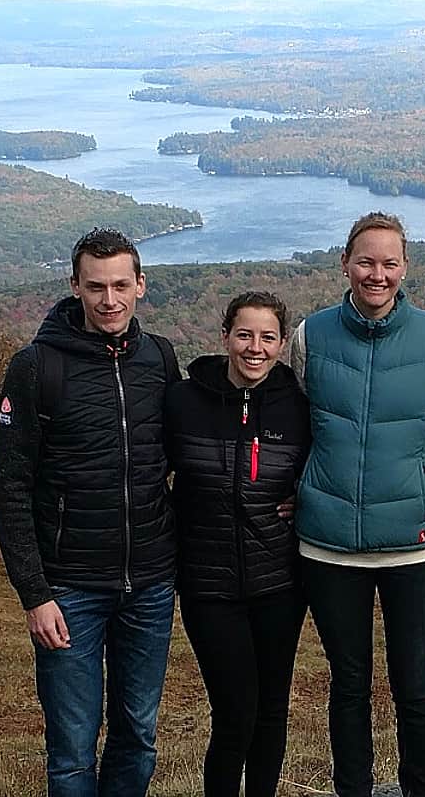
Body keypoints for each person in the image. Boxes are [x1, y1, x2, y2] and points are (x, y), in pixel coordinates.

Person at [289, 211, 425, 797]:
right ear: (345, 263)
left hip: (416, 547)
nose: (377, 274)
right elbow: (291, 430)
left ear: (406, 267)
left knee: (413, 687)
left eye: (389, 262)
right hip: (328, 547)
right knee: (347, 685)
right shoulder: (309, 336)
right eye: (366, 261)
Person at [0, 227, 180, 797]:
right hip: (69, 589)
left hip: (148, 584)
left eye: (122, 284)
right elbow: (8, 488)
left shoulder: (159, 357)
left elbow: (182, 457)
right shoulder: (35, 368)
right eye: (96, 286)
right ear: (75, 286)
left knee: (137, 736)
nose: (110, 299)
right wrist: (34, 594)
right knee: (72, 749)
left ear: (141, 285)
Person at [165, 291, 311, 797]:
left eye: (268, 337)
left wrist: (304, 500)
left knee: (271, 709)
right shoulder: (183, 401)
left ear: (282, 343)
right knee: (234, 712)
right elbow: (145, 475)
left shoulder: (297, 406)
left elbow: (321, 473)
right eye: (244, 335)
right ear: (224, 336)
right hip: (208, 584)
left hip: (280, 582)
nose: (255, 348)